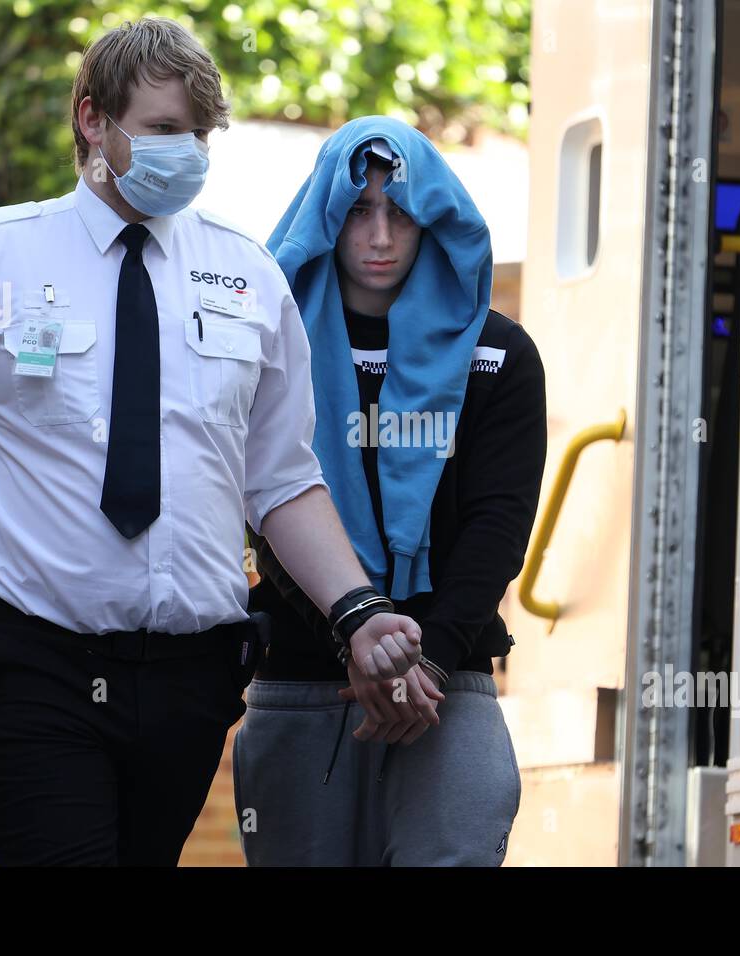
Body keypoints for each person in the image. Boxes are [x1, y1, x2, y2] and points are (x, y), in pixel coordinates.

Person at [0, 20, 421, 867]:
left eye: (200, 134)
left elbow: (283, 481)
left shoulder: (249, 276)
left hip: (188, 680)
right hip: (26, 659)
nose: (185, 151)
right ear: (93, 120)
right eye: (161, 130)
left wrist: (359, 608)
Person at [234, 117, 548, 866]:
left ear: (432, 219)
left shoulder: (499, 354)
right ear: (326, 220)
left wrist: (426, 663)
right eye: (357, 212)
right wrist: (356, 648)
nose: (379, 236)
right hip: (306, 678)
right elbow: (267, 510)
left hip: (451, 679)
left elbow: (497, 530)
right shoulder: (270, 346)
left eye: (400, 213)